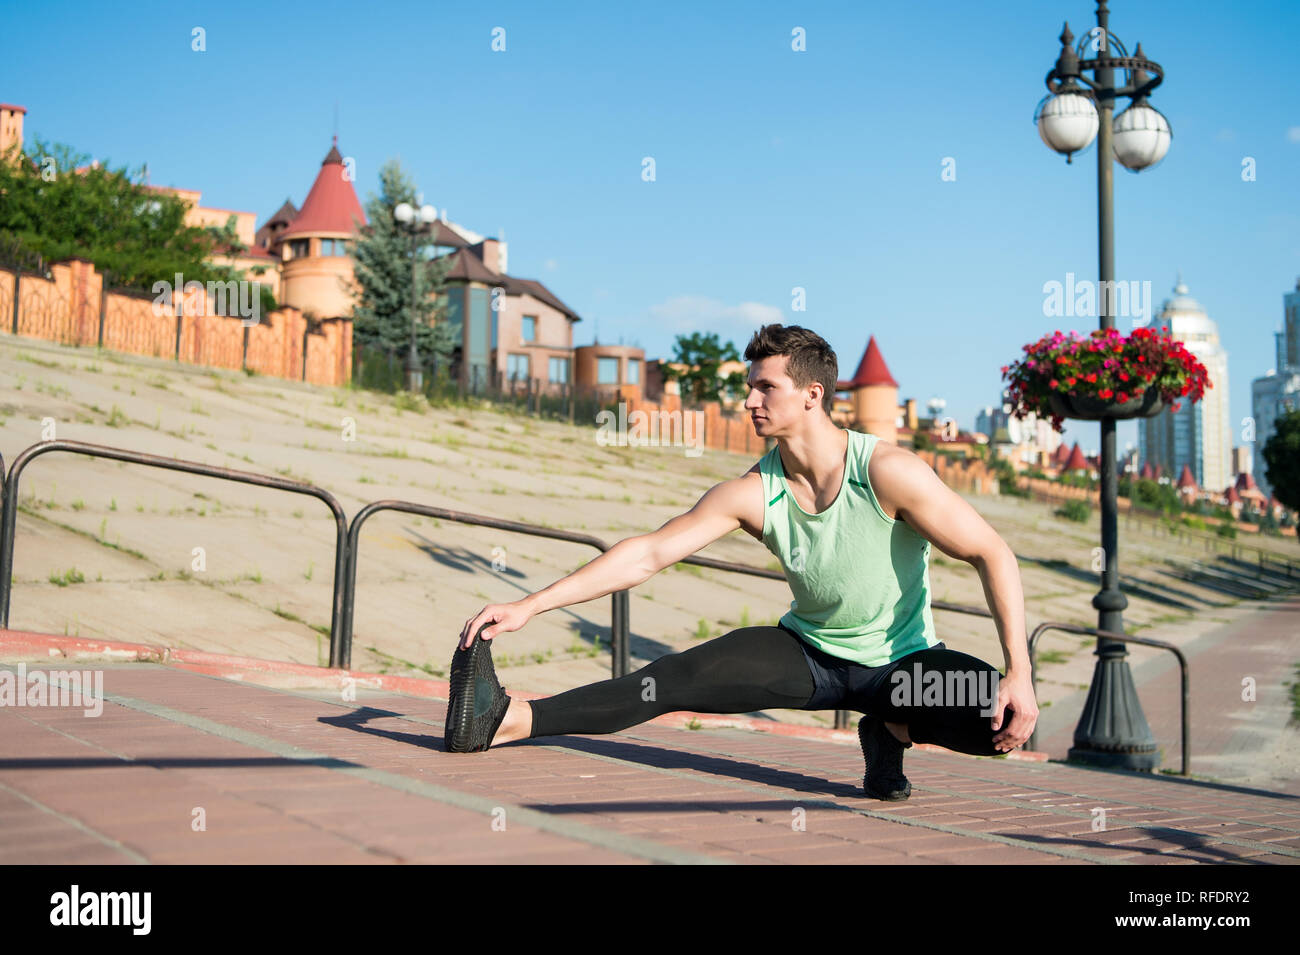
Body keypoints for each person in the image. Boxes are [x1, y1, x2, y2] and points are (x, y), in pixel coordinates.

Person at [444, 324, 1039, 800]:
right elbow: (648, 554)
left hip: (901, 663)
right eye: (750, 387)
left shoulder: (887, 471)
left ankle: (891, 728)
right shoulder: (754, 491)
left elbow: (992, 552)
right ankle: (508, 720)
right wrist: (530, 605)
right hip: (809, 654)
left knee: (1001, 721)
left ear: (812, 394)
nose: (749, 400)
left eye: (765, 388)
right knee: (671, 679)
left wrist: (1021, 671)